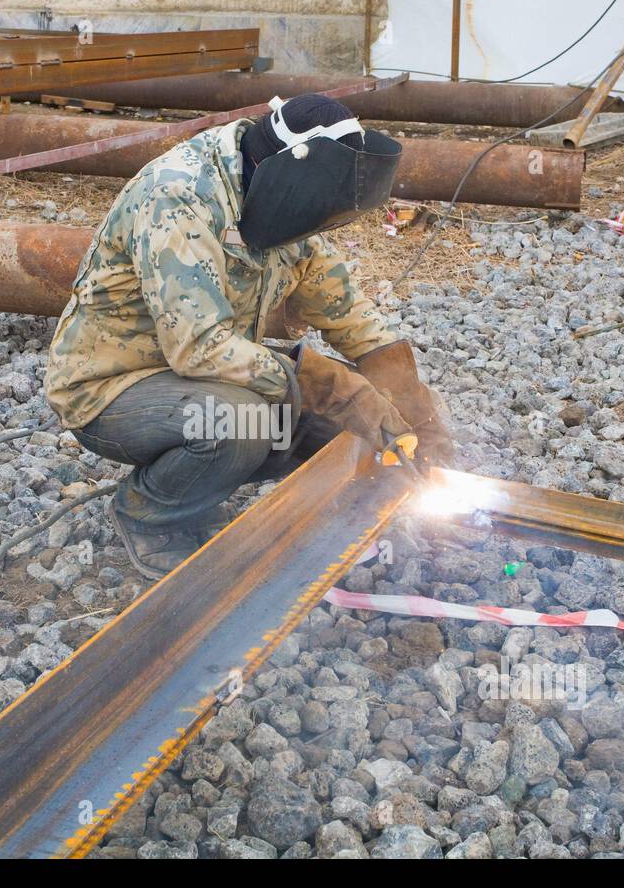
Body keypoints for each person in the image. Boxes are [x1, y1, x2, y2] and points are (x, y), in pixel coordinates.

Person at [45, 93, 454, 580]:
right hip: (112, 389)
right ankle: (147, 514)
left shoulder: (284, 198)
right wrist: (326, 384)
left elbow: (346, 312)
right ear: (290, 175)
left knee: (348, 426)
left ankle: (203, 490)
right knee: (241, 424)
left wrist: (407, 398)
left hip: (208, 374)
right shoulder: (179, 196)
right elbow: (197, 346)